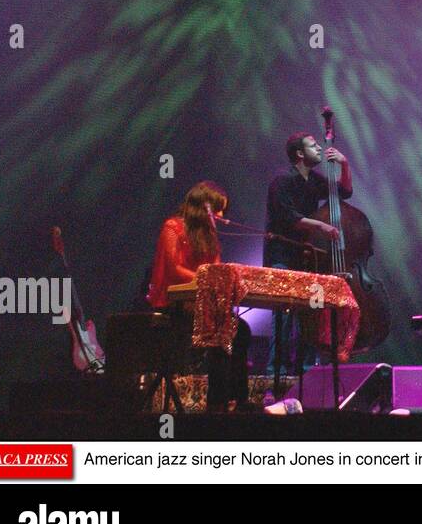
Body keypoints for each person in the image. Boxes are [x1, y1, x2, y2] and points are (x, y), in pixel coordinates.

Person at [146, 180, 251, 411]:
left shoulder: (208, 234)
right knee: (220, 334)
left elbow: (216, 267)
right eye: (218, 208)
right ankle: (217, 403)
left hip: (201, 304)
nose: (222, 215)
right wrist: (204, 280)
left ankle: (237, 399)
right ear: (203, 206)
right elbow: (174, 268)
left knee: (240, 330)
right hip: (175, 304)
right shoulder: (172, 227)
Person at [263, 131, 352, 381]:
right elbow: (286, 217)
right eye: (314, 146)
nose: (320, 149)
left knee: (310, 316)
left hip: (306, 256)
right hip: (282, 254)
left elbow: (343, 192)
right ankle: (276, 373)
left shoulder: (314, 180)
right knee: (283, 316)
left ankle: (304, 372)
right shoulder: (282, 180)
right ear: (300, 154)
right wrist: (321, 226)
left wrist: (344, 164)